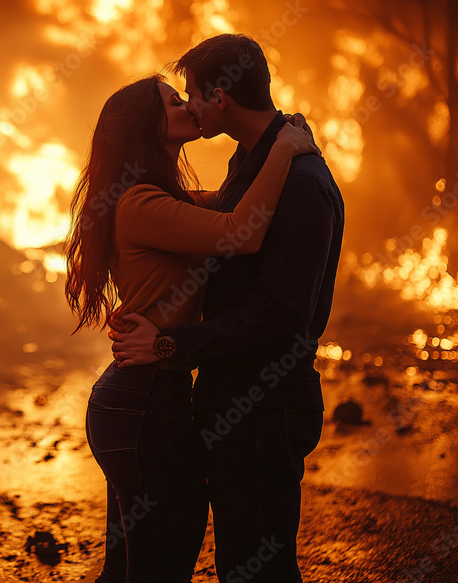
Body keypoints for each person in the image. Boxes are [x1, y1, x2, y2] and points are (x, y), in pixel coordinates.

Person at [65, 71, 320, 582]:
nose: (187, 105)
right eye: (173, 102)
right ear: (147, 126)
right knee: (162, 561)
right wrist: (284, 148)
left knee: (133, 567)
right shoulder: (141, 203)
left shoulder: (162, 198)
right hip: (144, 401)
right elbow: (241, 232)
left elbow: (234, 203)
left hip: (143, 400)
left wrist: (271, 142)